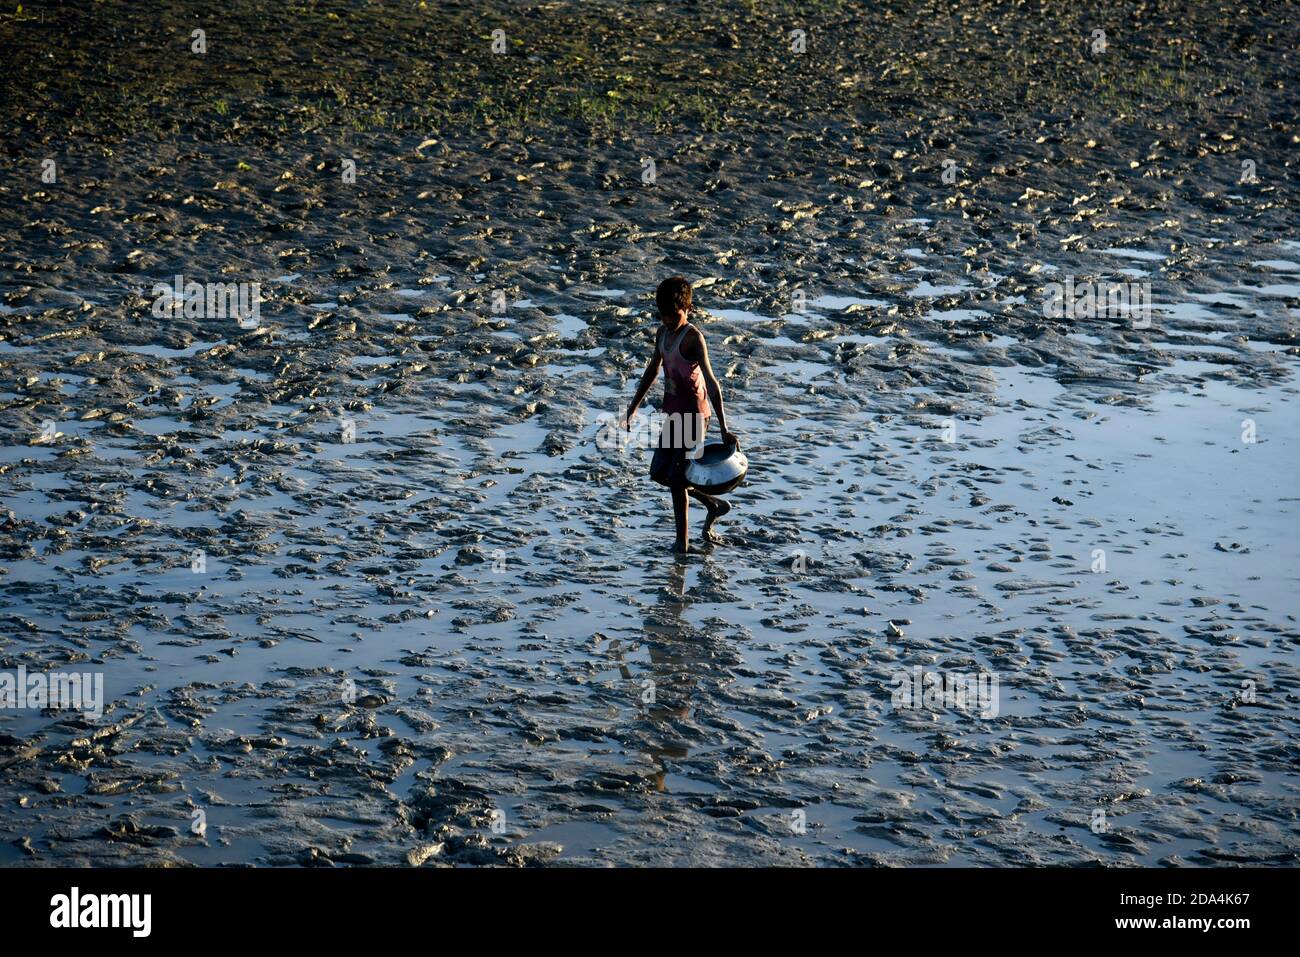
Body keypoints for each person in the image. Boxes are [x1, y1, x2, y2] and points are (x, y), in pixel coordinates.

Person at [623, 276, 736, 553]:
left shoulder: (693, 339)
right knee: (659, 472)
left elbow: (711, 382)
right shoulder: (662, 334)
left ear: (689, 309)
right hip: (673, 415)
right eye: (664, 316)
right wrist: (633, 407)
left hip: (695, 417)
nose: (669, 322)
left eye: (675, 316)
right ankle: (712, 503)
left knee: (676, 478)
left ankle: (681, 544)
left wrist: (724, 428)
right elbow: (652, 369)